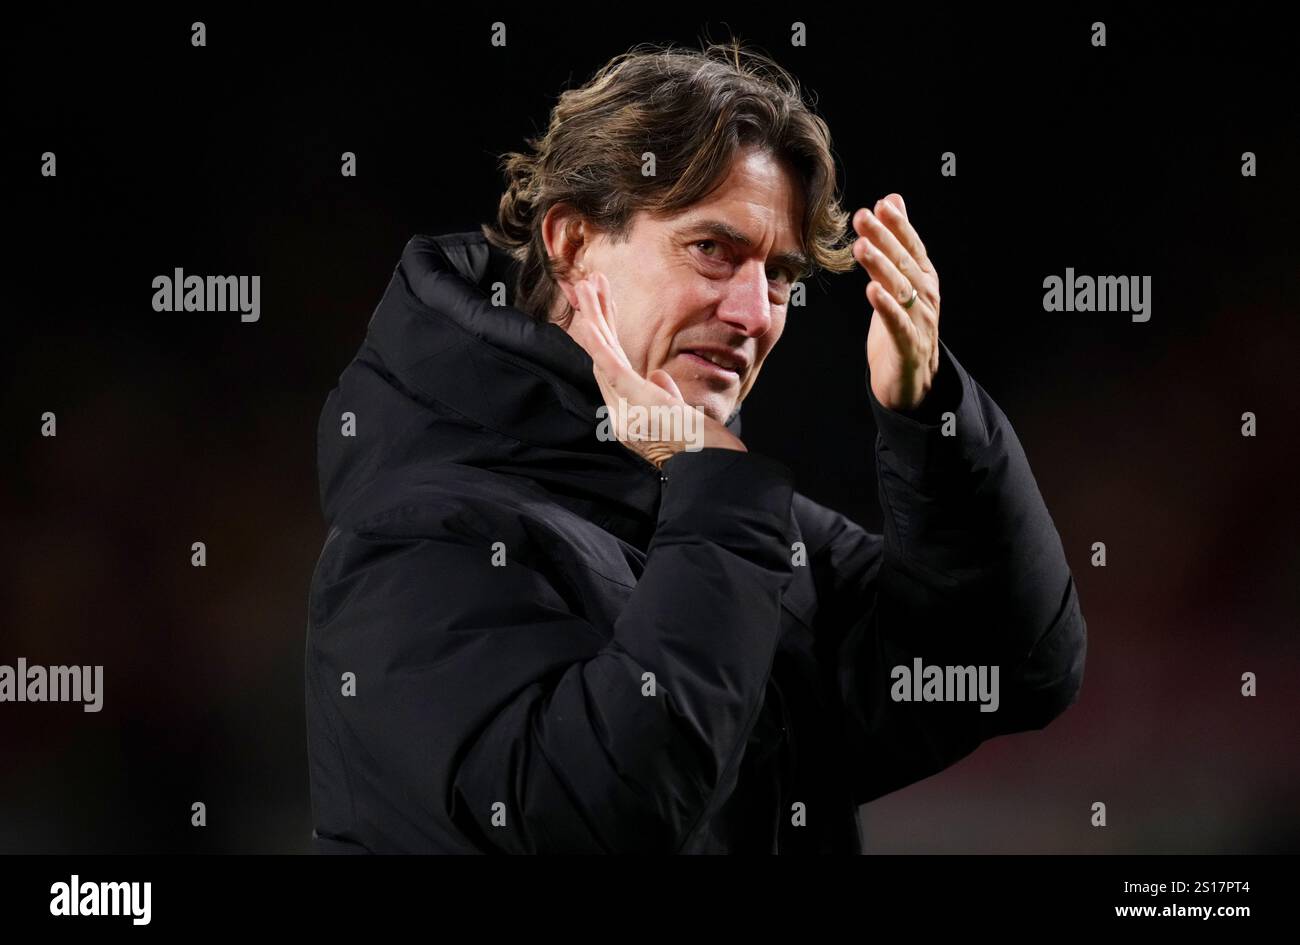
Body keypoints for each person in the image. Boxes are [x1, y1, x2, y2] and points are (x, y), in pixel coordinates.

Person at [304, 40, 1086, 854]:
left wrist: (932, 417)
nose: (755, 314)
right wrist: (713, 493)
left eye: (781, 276)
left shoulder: (737, 526)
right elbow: (595, 821)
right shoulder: (415, 538)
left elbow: (1009, 668)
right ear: (572, 244)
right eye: (713, 249)